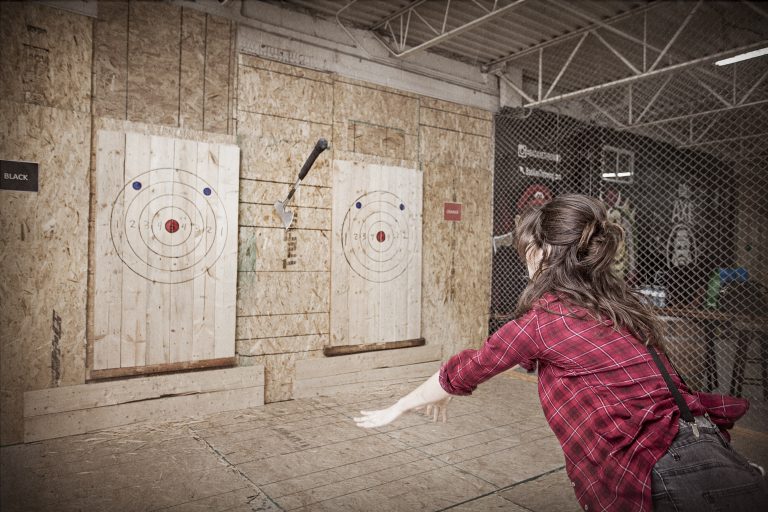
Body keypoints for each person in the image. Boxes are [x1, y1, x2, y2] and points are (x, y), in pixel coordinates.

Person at [354, 194, 767, 511]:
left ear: (546, 251)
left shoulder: (546, 319)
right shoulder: (621, 303)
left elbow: (468, 369)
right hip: (706, 450)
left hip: (658, 474)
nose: (525, 260)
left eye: (529, 248)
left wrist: (400, 406)